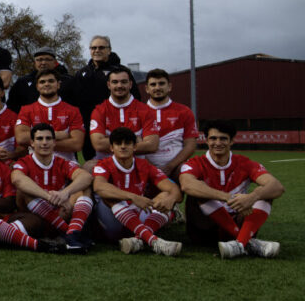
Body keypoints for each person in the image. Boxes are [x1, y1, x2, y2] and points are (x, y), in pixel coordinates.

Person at [179, 120, 284, 259]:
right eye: (213, 138)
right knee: (198, 193)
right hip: (205, 230)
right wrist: (228, 197)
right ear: (206, 140)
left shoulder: (244, 163)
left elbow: (277, 186)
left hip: (238, 221)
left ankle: (239, 244)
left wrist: (252, 197)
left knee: (265, 194)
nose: (218, 143)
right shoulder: (195, 163)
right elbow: (187, 185)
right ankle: (247, 242)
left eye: (223, 138)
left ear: (232, 141)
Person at [92, 127, 183, 256]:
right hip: (111, 220)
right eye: (118, 143)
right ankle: (151, 239)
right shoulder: (103, 164)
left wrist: (171, 199)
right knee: (110, 198)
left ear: (135, 147)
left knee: (166, 197)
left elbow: (174, 190)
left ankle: (139, 240)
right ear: (111, 148)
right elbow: (99, 186)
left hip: (136, 216)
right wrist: (132, 197)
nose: (123, 147)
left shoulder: (144, 165)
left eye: (127, 143)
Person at [10, 123, 95, 252]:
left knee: (84, 188)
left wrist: (65, 193)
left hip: (60, 211)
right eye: (40, 139)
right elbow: (17, 179)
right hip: (35, 217)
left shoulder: (62, 162)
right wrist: (48, 196)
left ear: (54, 142)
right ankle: (68, 232)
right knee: (23, 191)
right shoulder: (24, 162)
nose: (44, 143)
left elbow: (86, 177)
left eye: (48, 139)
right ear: (32, 143)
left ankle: (72, 234)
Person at [71, 35, 140, 160]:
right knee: (92, 161)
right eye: (93, 48)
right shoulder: (82, 73)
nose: (97, 50)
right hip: (89, 125)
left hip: (114, 123)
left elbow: (136, 99)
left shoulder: (121, 71)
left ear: (109, 50)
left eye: (101, 47)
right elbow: (74, 100)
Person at [87, 66, 159, 169]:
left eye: (124, 82)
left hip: (136, 162)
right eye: (115, 82)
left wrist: (110, 141)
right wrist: (135, 140)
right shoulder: (99, 110)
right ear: (109, 85)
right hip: (105, 162)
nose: (119, 85)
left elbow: (152, 145)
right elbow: (98, 144)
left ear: (130, 84)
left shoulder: (145, 110)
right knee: (88, 167)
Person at [14, 68, 85, 163]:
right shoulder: (26, 110)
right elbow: (21, 138)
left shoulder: (73, 110)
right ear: (37, 86)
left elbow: (76, 144)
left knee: (86, 175)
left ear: (58, 84)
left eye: (51, 81)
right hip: (34, 163)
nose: (46, 84)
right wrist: (57, 135)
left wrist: (38, 140)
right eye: (42, 82)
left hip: (66, 162)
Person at [143, 68, 198, 179]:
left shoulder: (184, 111)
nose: (157, 87)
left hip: (175, 168)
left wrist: (170, 167)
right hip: (146, 167)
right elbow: (134, 146)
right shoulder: (137, 112)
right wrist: (152, 168)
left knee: (191, 172)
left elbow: (190, 145)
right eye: (153, 84)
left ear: (169, 87)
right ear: (147, 89)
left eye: (161, 83)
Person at [7, 48, 71, 112]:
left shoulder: (68, 81)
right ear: (35, 63)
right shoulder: (23, 82)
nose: (43, 63)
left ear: (55, 62)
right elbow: (12, 106)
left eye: (47, 59)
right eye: (39, 60)